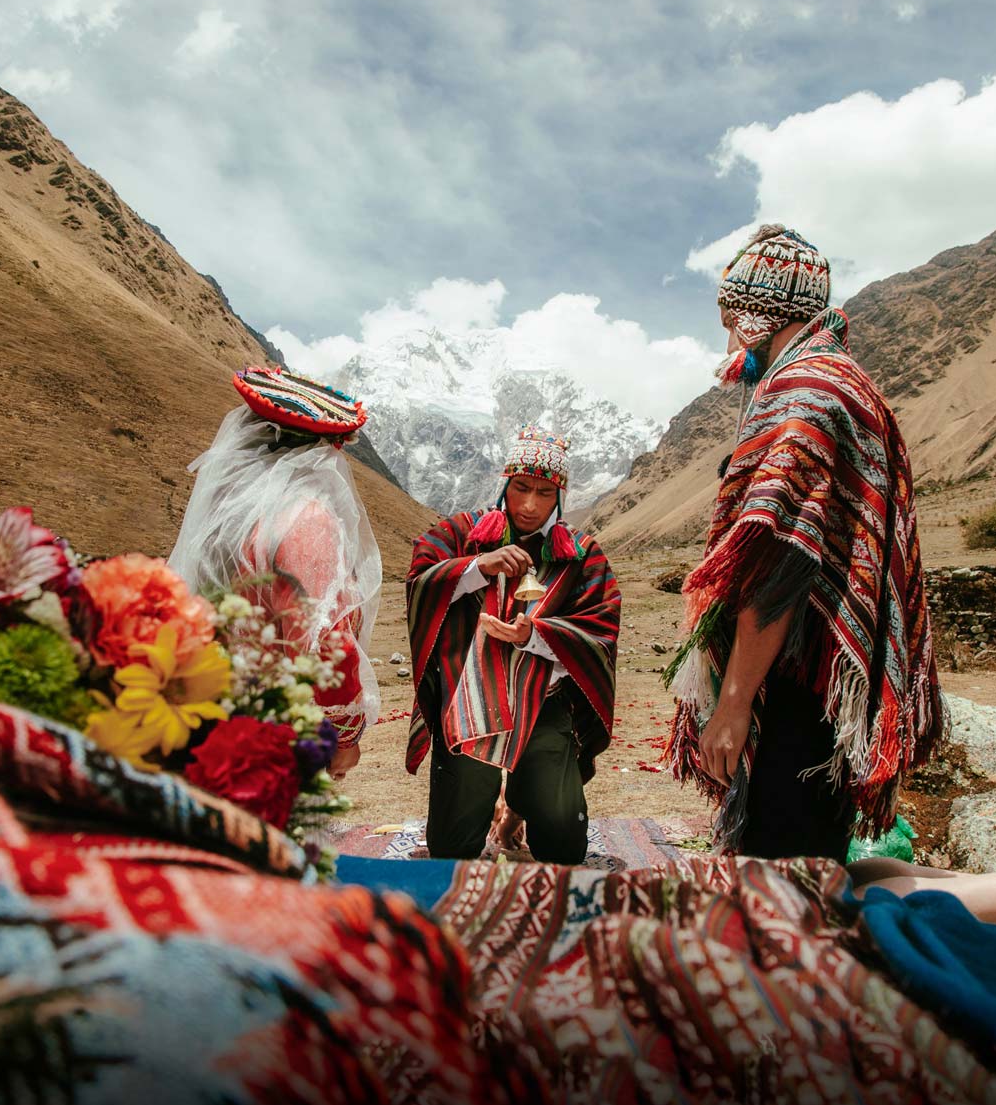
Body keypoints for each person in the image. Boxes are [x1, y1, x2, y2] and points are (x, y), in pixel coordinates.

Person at [666, 223, 944, 858]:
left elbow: (780, 556)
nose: (731, 340)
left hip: (805, 676)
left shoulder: (804, 390)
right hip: (828, 669)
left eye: (732, 318)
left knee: (785, 880)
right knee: (812, 858)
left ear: (758, 316)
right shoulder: (841, 379)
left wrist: (733, 703)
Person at [404, 427, 620, 864]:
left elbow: (601, 630)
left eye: (544, 493)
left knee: (563, 851)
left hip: (544, 705)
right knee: (451, 849)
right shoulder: (460, 533)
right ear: (505, 483)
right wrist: (474, 568)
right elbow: (419, 582)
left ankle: (520, 799)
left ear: (558, 494)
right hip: (467, 711)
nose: (528, 505)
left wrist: (535, 637)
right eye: (520, 488)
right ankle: (487, 797)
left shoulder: (583, 554)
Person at [170, 366, 382, 775]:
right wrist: (342, 737)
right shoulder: (308, 519)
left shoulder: (230, 517)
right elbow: (327, 640)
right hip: (278, 735)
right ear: (322, 452)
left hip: (218, 718)